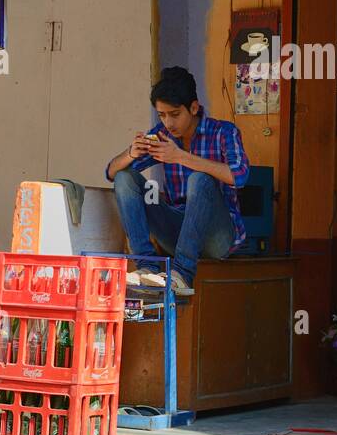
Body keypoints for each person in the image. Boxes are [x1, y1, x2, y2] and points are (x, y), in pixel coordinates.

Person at [105, 66, 250, 293]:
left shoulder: (224, 131)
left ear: (193, 108)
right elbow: (112, 173)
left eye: (174, 114)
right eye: (162, 115)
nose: (168, 123)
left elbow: (239, 176)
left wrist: (181, 157)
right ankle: (147, 266)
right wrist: (131, 153)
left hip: (218, 236)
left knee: (200, 180)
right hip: (176, 232)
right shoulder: (163, 134)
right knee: (126, 178)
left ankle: (182, 274)